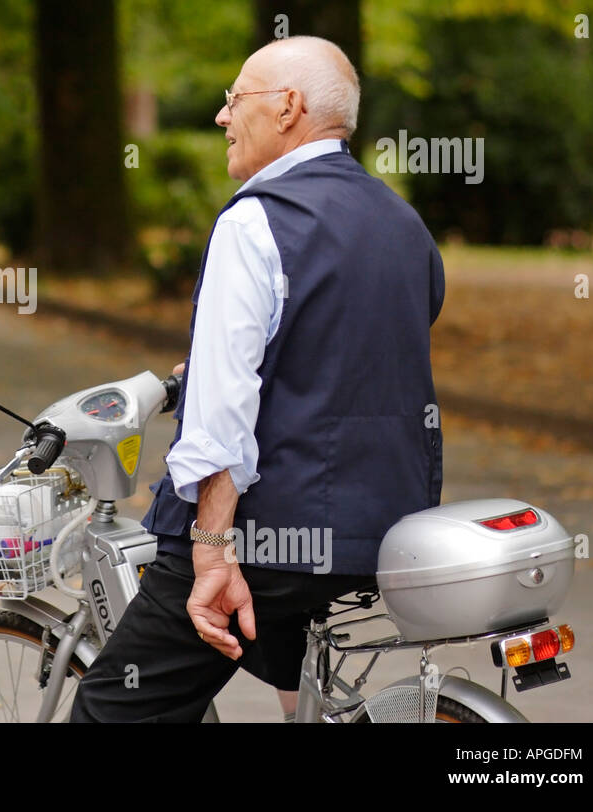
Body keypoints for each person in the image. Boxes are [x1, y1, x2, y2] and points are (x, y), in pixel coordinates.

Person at [71, 36, 444, 722]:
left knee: (113, 707)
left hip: (269, 533)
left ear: (287, 108)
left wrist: (212, 553)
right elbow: (354, 351)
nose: (221, 117)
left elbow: (220, 417)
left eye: (234, 99)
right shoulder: (404, 223)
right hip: (378, 531)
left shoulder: (256, 220)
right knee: (288, 660)